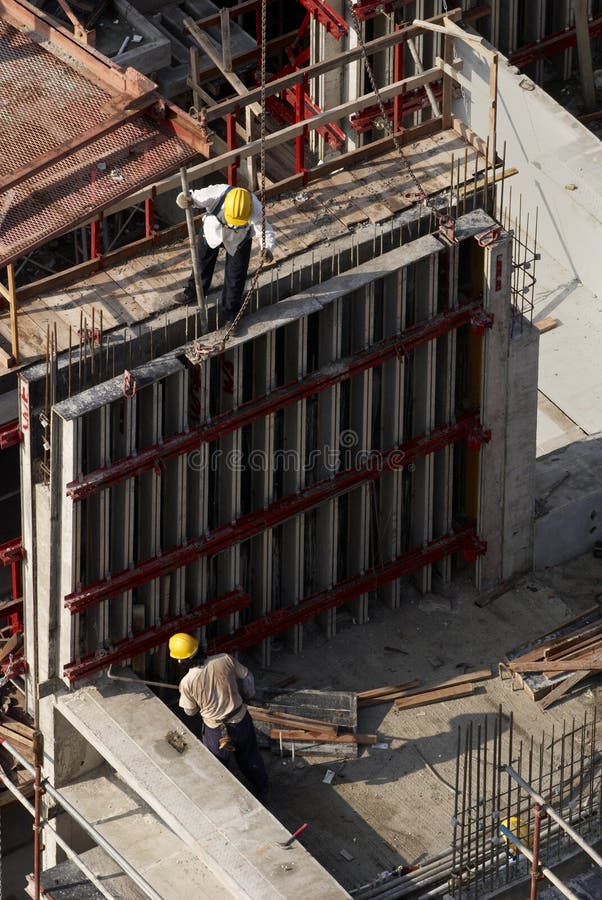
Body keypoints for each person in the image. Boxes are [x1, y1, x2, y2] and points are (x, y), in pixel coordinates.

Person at [169, 631, 269, 800]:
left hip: (216, 730)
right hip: (240, 719)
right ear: (199, 647)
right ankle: (263, 790)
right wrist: (248, 695)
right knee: (250, 757)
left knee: (218, 767)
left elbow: (190, 711)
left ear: (181, 660)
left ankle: (227, 798)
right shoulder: (224, 659)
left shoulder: (187, 682)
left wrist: (193, 696)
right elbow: (247, 678)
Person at [176, 184, 276, 325]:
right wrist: (183, 200)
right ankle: (193, 291)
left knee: (236, 276)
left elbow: (266, 231)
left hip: (239, 240)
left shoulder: (255, 207)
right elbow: (191, 196)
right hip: (213, 232)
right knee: (201, 262)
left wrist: (267, 248)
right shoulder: (216, 193)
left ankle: (231, 314)